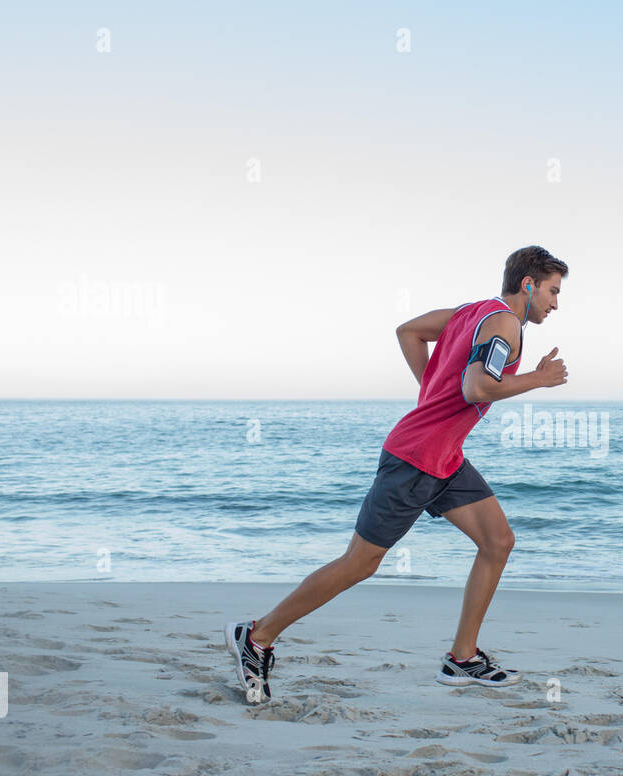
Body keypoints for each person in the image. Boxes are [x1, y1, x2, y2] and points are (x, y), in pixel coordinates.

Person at [224, 245, 569, 703]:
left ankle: (461, 659)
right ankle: (257, 636)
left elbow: (408, 332)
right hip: (414, 458)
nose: (555, 303)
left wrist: (432, 393)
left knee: (498, 541)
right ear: (528, 284)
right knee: (359, 564)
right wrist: (538, 379)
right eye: (552, 291)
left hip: (445, 457)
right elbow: (478, 386)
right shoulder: (506, 323)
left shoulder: (470, 312)